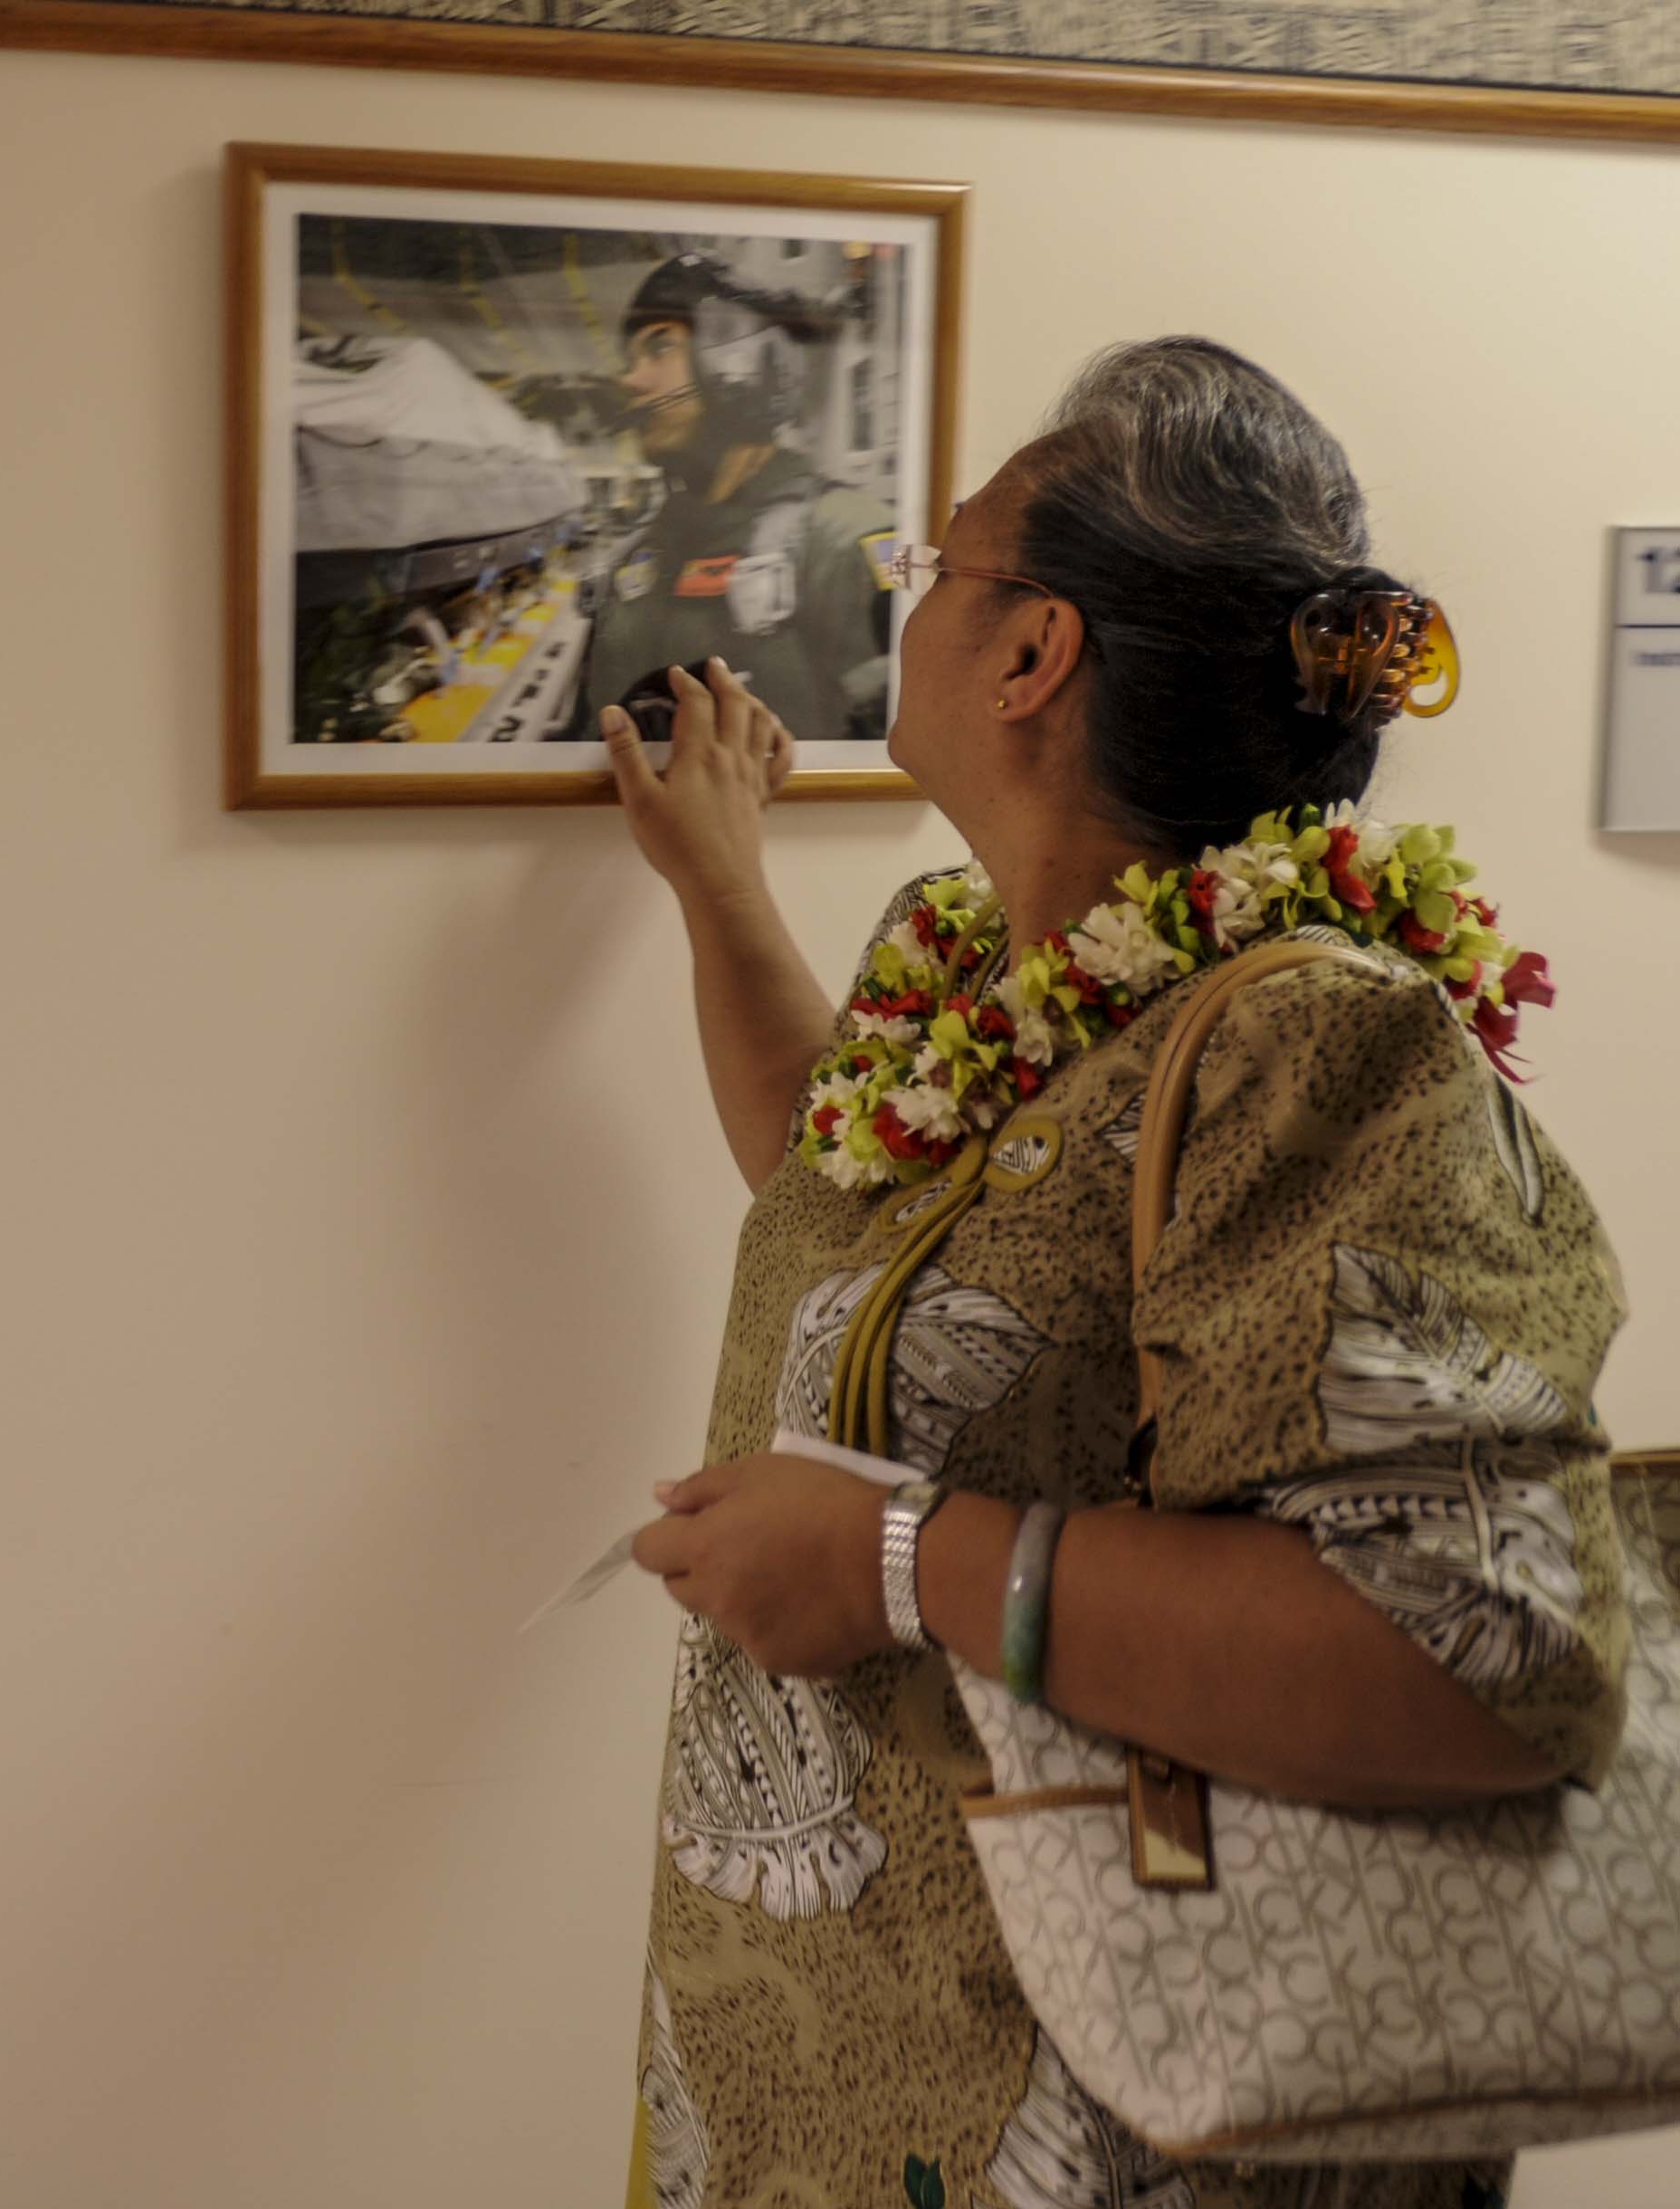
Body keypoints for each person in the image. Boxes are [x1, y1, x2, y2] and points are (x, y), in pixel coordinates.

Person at [599, 338, 1626, 2209]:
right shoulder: (974, 959)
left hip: (1131, 2118)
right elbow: (866, 1222)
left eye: (948, 562)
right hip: (843, 2061)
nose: (909, 592)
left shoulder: (1313, 1044)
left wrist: (889, 1555)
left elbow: (1480, 1655)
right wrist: (721, 886)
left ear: (1028, 654)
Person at [583, 250, 897, 743]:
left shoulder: (844, 542)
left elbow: (892, 756)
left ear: (741, 365)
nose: (631, 380)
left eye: (659, 349)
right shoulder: (640, 558)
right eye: (631, 360)